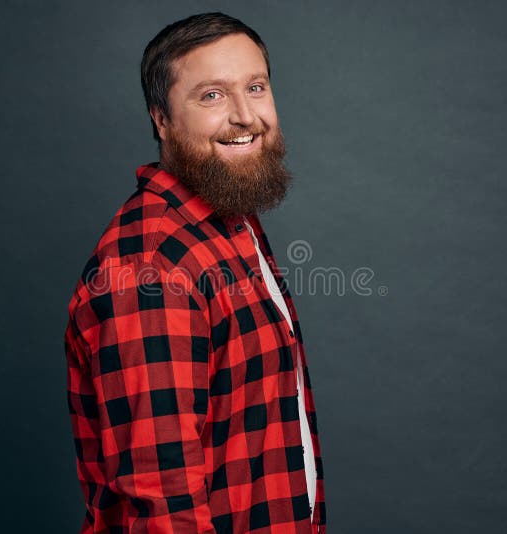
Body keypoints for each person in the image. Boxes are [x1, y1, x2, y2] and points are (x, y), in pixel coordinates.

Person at [64, 12, 326, 533]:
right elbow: (163, 503)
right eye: (211, 95)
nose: (245, 116)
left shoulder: (228, 218)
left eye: (255, 87)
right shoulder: (151, 268)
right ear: (161, 118)